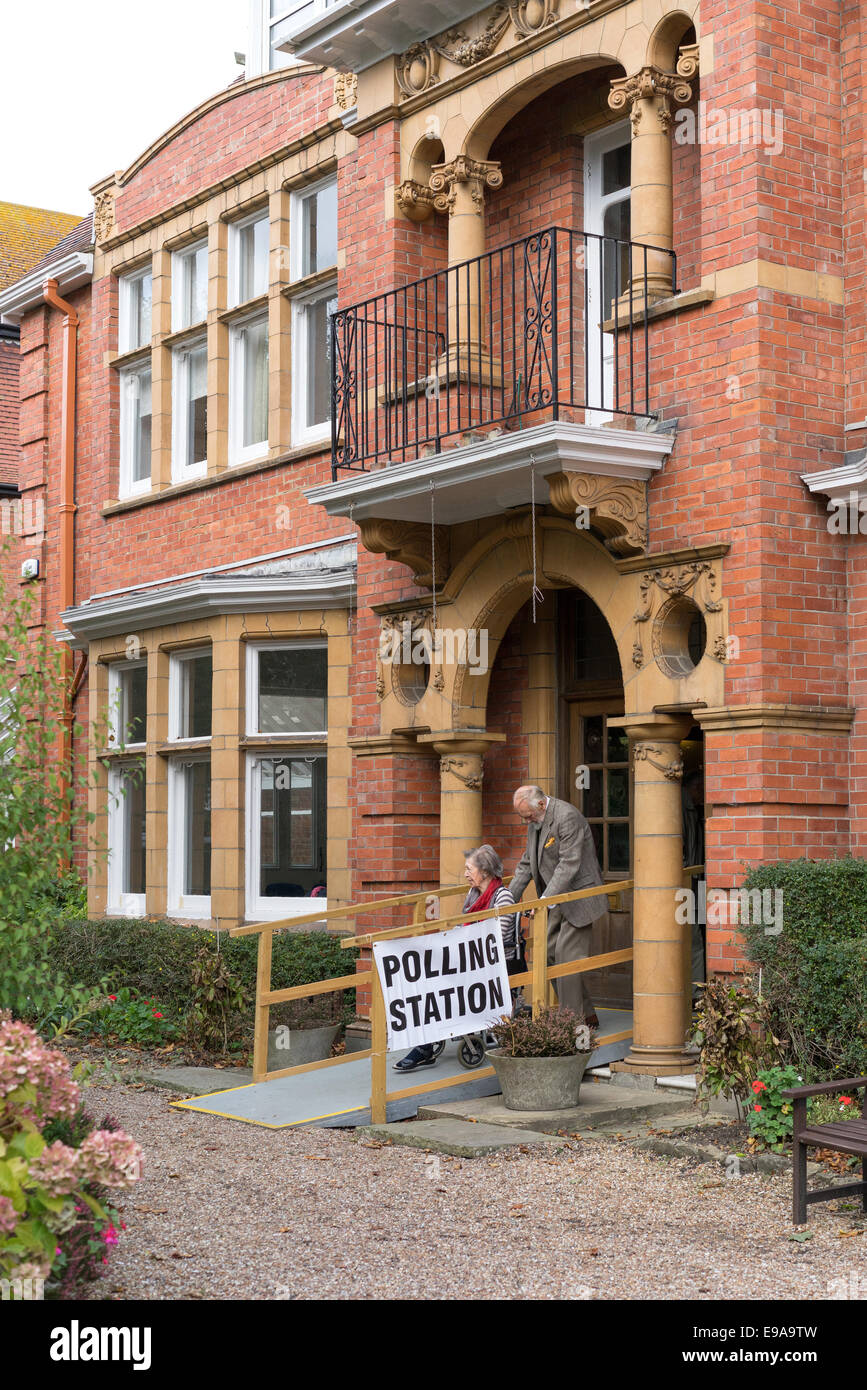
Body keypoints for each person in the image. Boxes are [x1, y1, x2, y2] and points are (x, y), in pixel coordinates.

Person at [392, 844, 520, 1073]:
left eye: (469, 869)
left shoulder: (503, 897)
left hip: (492, 967)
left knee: (436, 982)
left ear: (486, 871)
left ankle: (424, 1047)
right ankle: (425, 1043)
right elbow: (464, 929)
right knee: (421, 977)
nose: (465, 874)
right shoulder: (473, 896)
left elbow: (495, 939)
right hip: (470, 962)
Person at [510, 784, 606, 1028]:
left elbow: (569, 864)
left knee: (566, 958)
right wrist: (507, 899)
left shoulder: (567, 817)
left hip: (578, 897)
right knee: (549, 954)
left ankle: (571, 1022)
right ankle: (586, 1013)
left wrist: (545, 901)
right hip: (555, 900)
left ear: (541, 804)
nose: (527, 822)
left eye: (528, 816)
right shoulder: (536, 822)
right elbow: (526, 864)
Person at [682, 768, 706, 1001]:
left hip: (693, 882)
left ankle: (695, 992)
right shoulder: (681, 808)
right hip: (684, 885)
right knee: (694, 939)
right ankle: (697, 994)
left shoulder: (690, 808)